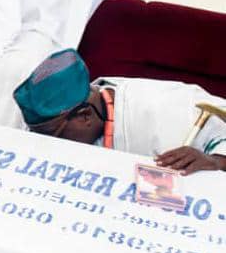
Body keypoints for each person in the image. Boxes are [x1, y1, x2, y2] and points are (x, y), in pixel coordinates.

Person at [14, 49, 226, 175]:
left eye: (53, 135)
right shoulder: (71, 110)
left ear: (85, 116)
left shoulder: (171, 106)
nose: (48, 144)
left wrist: (217, 161)